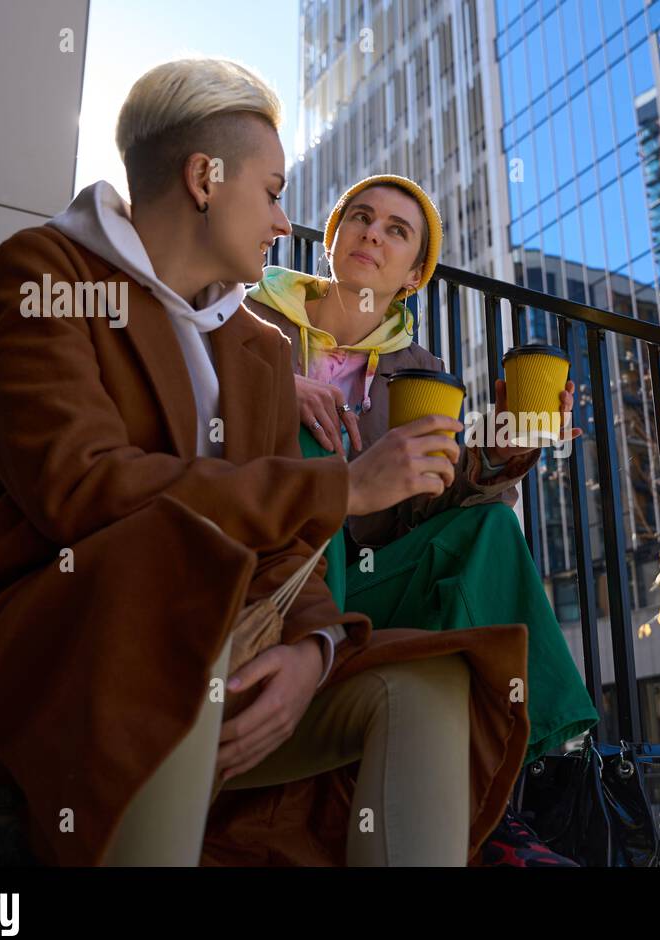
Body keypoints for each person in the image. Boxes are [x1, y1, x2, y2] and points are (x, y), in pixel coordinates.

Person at [0, 59, 530, 867]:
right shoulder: (45, 274)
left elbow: (291, 556)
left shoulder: (260, 351)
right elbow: (84, 487)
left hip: (236, 654)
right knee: (175, 566)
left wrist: (315, 652)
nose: (283, 222)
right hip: (53, 644)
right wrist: (341, 485)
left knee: (434, 681)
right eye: (272, 191)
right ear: (204, 177)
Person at [244, 174, 600, 865]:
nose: (373, 233)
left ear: (413, 276)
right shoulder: (250, 318)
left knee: (490, 528)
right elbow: (191, 372)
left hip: (365, 578)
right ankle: (495, 793)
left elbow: (425, 504)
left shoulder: (420, 371)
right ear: (335, 238)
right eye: (362, 218)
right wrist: (274, 383)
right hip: (270, 572)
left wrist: (494, 459)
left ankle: (526, 773)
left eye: (397, 231)